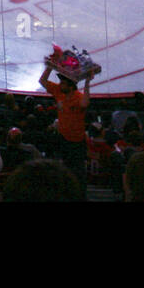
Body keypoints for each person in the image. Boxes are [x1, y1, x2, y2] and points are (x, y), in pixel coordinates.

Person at [40, 62, 91, 191]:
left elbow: (85, 104)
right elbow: (42, 80)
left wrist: (87, 83)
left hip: (77, 143)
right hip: (63, 139)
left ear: (71, 86)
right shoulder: (59, 91)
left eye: (63, 83)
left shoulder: (78, 97)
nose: (60, 84)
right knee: (63, 171)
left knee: (78, 173)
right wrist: (50, 66)